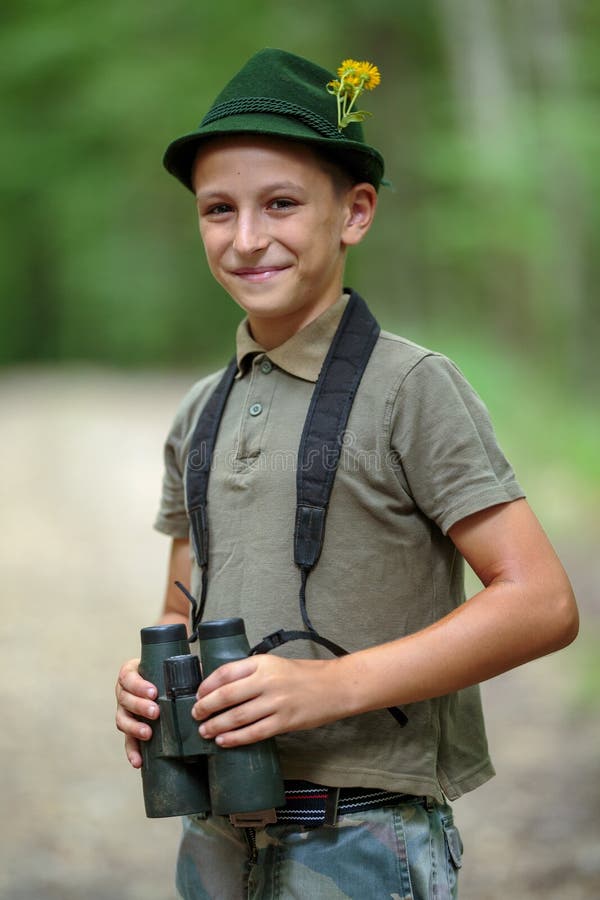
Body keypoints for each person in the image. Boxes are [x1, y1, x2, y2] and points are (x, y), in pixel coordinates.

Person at [115, 49, 578, 899]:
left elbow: (543, 603)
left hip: (365, 833)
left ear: (355, 212)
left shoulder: (410, 387)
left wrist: (330, 686)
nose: (247, 238)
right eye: (219, 210)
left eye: (281, 204)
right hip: (213, 828)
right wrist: (151, 688)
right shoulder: (199, 411)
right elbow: (180, 607)